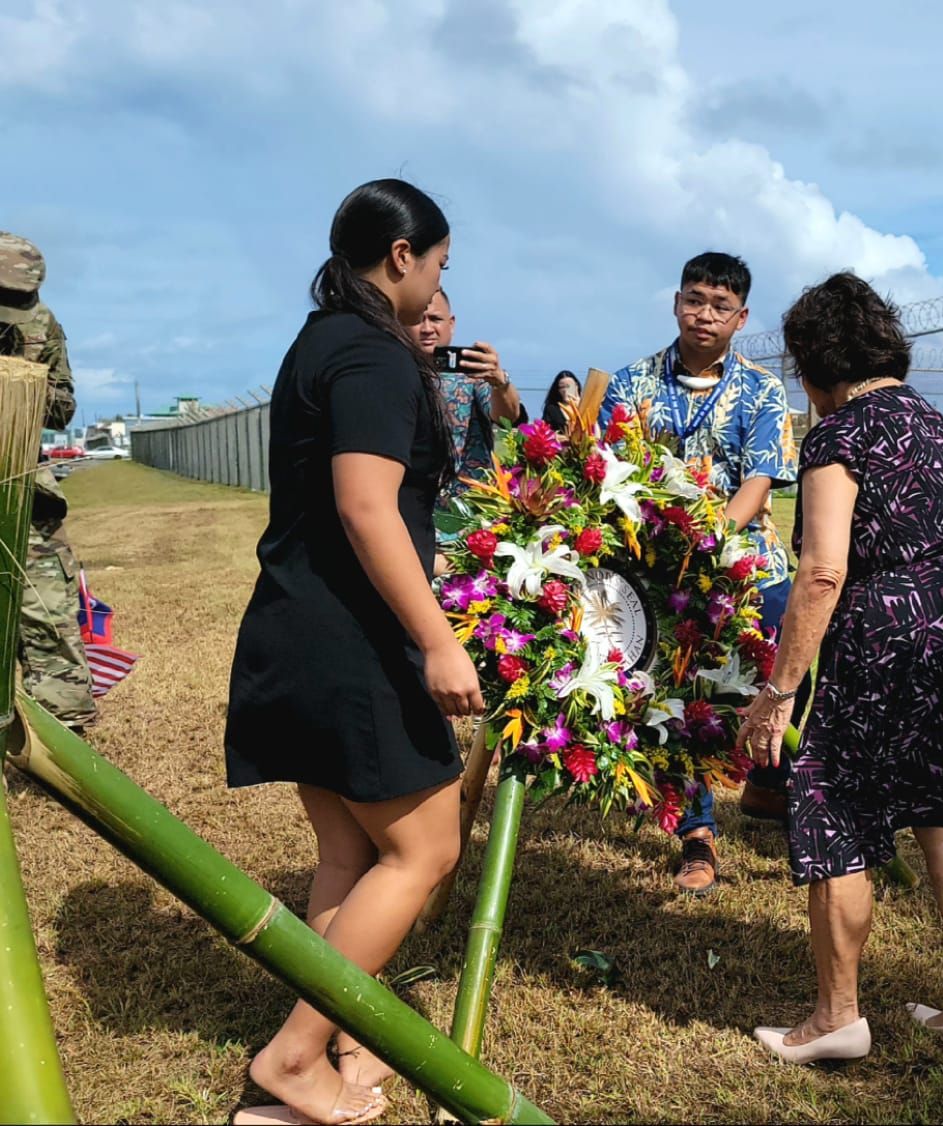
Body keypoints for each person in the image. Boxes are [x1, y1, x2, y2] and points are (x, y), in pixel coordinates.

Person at [225, 179, 484, 1126]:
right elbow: (366, 506)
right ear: (403, 256)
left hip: (293, 626)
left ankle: (341, 1037)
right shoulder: (374, 356)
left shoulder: (320, 338)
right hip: (352, 642)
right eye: (442, 265)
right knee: (426, 847)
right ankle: (294, 1058)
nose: (440, 285)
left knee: (347, 850)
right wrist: (438, 640)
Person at [737, 272, 943, 1064]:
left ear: (812, 364)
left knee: (833, 802)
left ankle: (837, 1018)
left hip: (898, 621)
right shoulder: (932, 420)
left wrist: (778, 691)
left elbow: (823, 570)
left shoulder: (839, 432)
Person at [603, 251, 798, 895]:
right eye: (694, 300)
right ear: (676, 302)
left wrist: (713, 539)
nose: (703, 314)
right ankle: (697, 831)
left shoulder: (764, 391)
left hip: (747, 563)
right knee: (679, 699)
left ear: (741, 318)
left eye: (720, 306)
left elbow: (761, 478)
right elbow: (607, 472)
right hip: (658, 571)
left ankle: (771, 786)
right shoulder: (631, 385)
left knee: (778, 680)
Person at [0, 231, 97, 732]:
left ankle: (61, 734)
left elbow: (63, 408)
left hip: (23, 487)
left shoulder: (42, 324)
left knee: (47, 611)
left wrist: (22, 378)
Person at [409, 287, 524, 503]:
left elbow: (507, 416)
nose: (427, 328)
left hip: (468, 513)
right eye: (419, 319)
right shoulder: (391, 372)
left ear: (451, 324)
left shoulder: (476, 373)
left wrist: (500, 383)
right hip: (408, 509)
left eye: (435, 319)